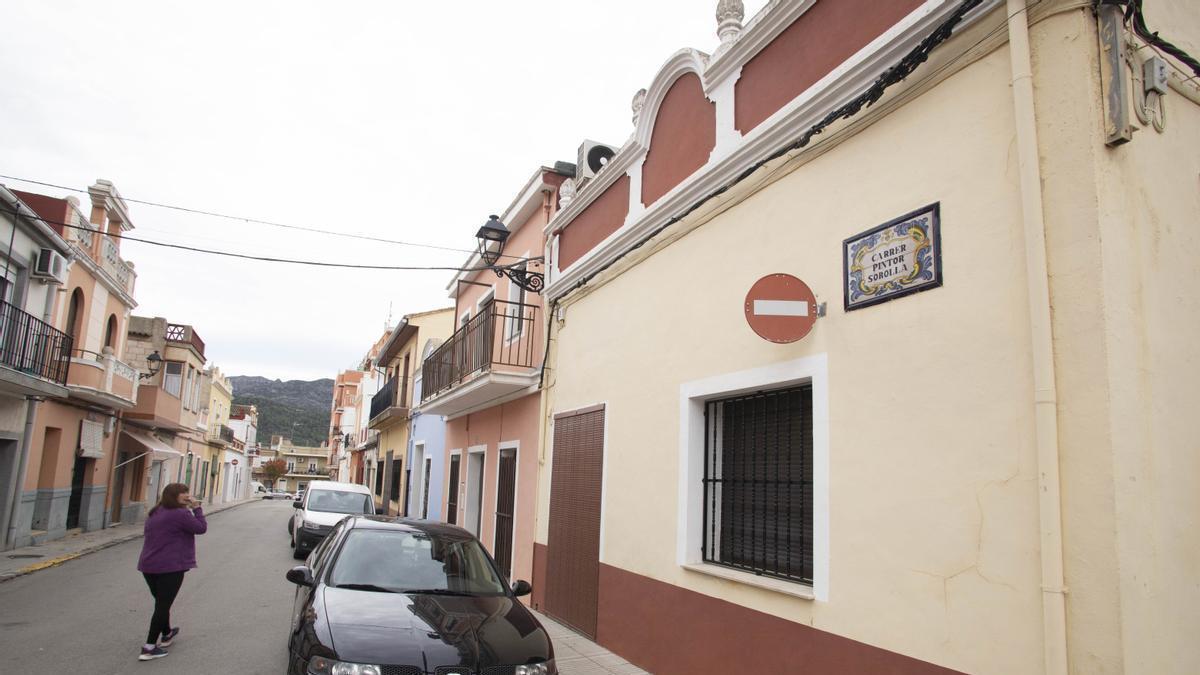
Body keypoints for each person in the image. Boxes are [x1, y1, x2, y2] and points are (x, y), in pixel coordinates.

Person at [135, 483, 207, 661]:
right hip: (170, 567)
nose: (187, 495)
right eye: (183, 493)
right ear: (173, 496)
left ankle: (166, 633)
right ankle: (149, 647)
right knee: (162, 605)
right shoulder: (180, 514)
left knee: (161, 602)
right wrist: (197, 508)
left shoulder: (155, 511)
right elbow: (201, 528)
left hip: (148, 565)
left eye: (187, 492)